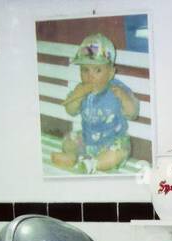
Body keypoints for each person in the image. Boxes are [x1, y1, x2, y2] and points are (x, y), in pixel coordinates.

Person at [51, 33, 139, 174]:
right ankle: (72, 156)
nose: (90, 75)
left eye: (97, 70)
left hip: (112, 141)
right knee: (70, 139)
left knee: (120, 151)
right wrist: (76, 98)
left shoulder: (117, 90)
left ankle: (94, 164)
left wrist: (124, 98)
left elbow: (133, 113)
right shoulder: (80, 89)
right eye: (85, 70)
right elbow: (70, 110)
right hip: (87, 140)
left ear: (111, 73)